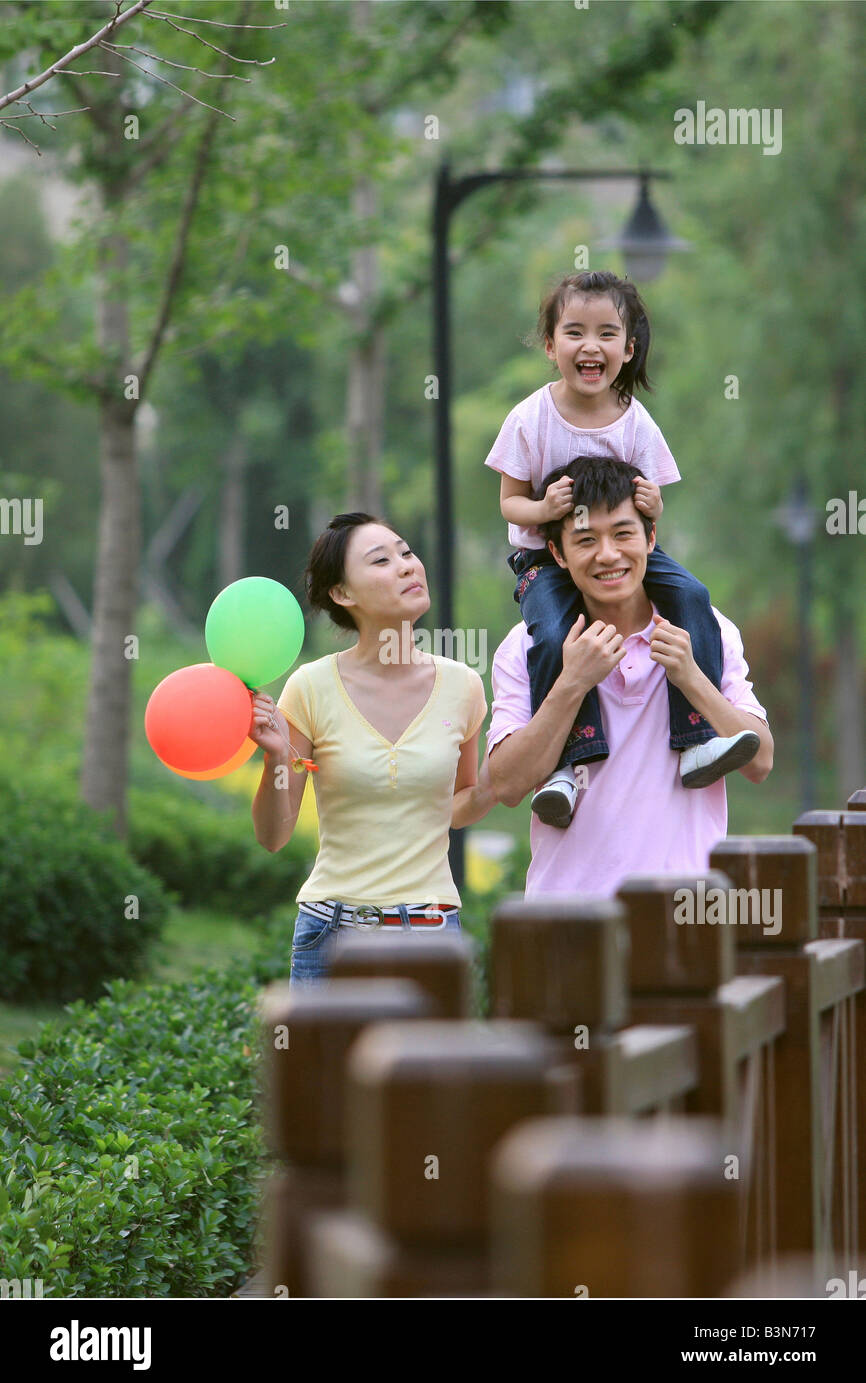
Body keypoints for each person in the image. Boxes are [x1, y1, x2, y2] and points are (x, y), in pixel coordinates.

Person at [484, 269, 758, 829]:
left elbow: (647, 512)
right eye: (574, 332)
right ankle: (564, 764)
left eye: (607, 333)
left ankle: (696, 738)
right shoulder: (530, 418)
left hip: (614, 548)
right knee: (555, 635)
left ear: (628, 348)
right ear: (550, 345)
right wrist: (545, 510)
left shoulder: (636, 420)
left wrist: (652, 500)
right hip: (547, 557)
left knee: (693, 595)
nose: (591, 346)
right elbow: (510, 503)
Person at [486, 458, 773, 899]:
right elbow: (506, 786)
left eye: (623, 533)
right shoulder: (528, 647)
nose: (608, 554)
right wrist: (571, 683)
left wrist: (693, 678)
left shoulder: (705, 630)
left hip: (688, 915)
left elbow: (759, 762)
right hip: (569, 921)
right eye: (585, 540)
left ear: (651, 537)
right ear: (558, 554)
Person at [249, 512, 494, 982]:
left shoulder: (463, 685)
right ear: (343, 594)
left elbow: (462, 799)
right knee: (324, 1062)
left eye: (406, 552)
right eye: (381, 561)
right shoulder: (310, 686)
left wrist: (493, 788)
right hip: (333, 934)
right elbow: (273, 836)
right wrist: (277, 756)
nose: (406, 566)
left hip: (433, 934)